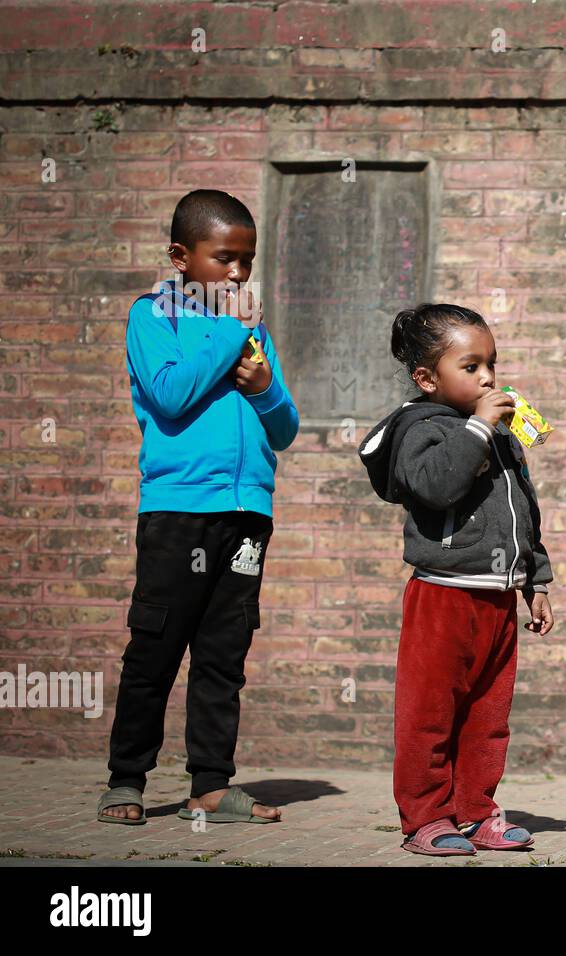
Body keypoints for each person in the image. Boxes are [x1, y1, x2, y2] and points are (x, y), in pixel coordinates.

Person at [98, 189, 298, 826]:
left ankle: (210, 786)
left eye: (248, 259)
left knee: (224, 652)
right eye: (225, 259)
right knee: (155, 646)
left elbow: (285, 427)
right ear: (181, 256)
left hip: (246, 514)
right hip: (179, 511)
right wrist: (231, 329)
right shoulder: (154, 316)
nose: (239, 273)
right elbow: (171, 394)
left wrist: (265, 389)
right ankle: (126, 780)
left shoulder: (252, 327)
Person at [359, 303, 555, 856]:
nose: (488, 377)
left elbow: (523, 511)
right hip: (442, 595)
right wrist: (476, 428)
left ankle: (476, 812)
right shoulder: (419, 428)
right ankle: (424, 818)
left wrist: (535, 582)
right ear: (427, 378)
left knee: (488, 718)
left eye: (491, 363)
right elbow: (436, 486)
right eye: (470, 367)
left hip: (497, 600)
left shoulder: (500, 432)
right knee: (429, 715)